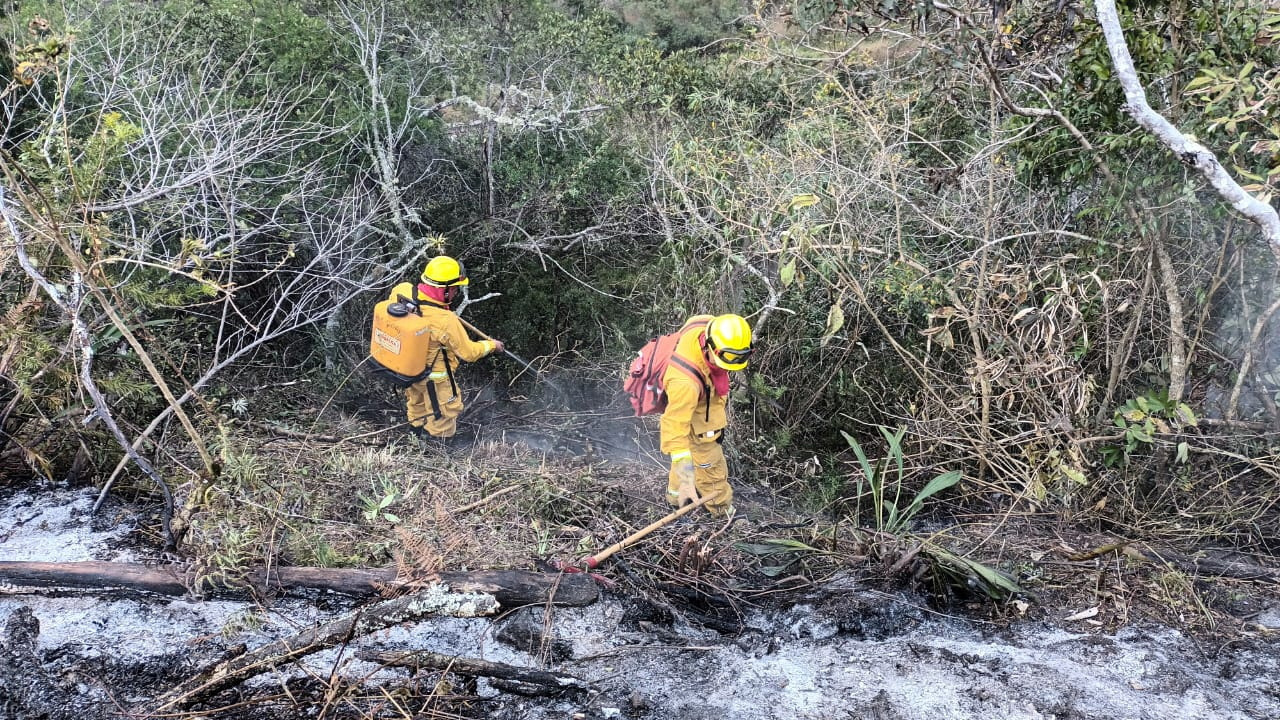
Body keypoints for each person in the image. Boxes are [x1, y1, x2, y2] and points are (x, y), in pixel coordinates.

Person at [387, 255, 503, 442]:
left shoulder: (402, 290)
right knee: (443, 414)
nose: (456, 292)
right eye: (455, 288)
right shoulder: (445, 321)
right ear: (445, 289)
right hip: (435, 378)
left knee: (417, 404)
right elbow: (469, 353)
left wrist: (440, 308)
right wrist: (491, 345)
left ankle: (415, 439)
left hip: (408, 370)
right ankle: (436, 448)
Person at [661, 313, 753, 518]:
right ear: (710, 347)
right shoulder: (685, 383)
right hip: (698, 423)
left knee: (685, 457)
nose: (726, 367)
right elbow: (674, 430)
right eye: (725, 360)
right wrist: (685, 472)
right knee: (711, 469)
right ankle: (722, 511)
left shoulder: (706, 325)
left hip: (702, 402)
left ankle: (675, 498)